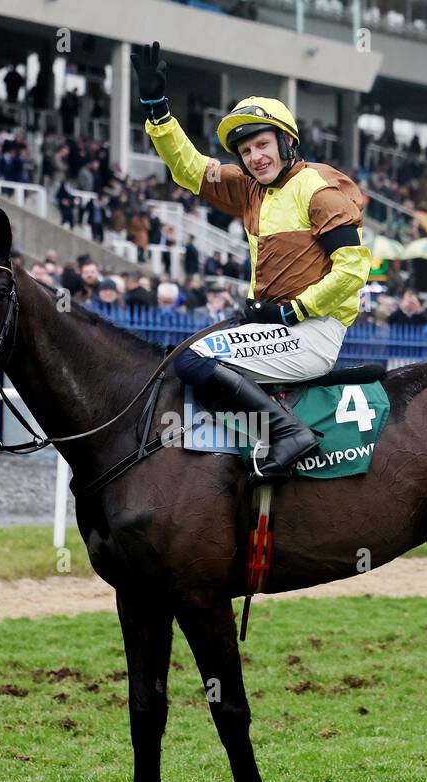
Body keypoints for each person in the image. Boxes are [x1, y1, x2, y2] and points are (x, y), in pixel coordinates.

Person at [133, 41, 369, 477]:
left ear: (285, 142)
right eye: (245, 152)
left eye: (262, 145)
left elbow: (354, 270)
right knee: (179, 356)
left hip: (312, 332)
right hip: (271, 326)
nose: (255, 158)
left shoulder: (318, 187)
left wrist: (294, 310)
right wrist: (157, 111)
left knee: (193, 361)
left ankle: (289, 434)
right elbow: (190, 169)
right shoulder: (250, 189)